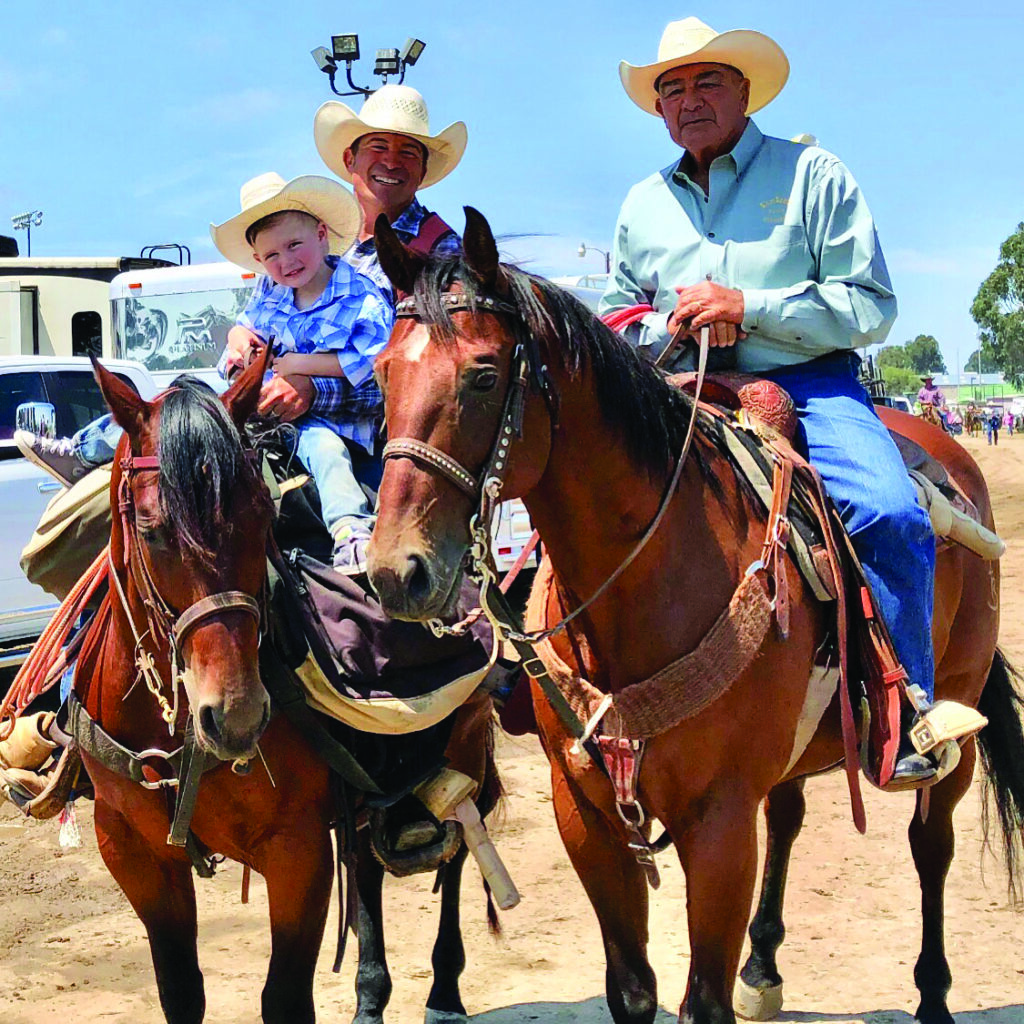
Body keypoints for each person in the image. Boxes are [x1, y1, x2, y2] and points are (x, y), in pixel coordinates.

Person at [600, 16, 985, 785]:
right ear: (657, 110)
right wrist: (650, 326)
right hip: (677, 390)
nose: (689, 99)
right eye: (671, 88)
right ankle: (528, 678)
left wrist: (749, 306)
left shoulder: (814, 176)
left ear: (745, 90)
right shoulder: (642, 203)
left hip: (808, 385)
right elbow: (615, 309)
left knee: (887, 510)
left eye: (708, 81)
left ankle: (904, 706)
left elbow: (871, 305)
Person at [18, 85, 468, 515]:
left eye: (408, 150)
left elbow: (436, 385)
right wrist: (239, 335)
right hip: (272, 434)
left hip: (375, 454)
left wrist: (313, 390)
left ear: (423, 169)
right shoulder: (306, 243)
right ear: (350, 157)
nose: (392, 161)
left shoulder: (439, 251)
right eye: (379, 147)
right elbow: (257, 323)